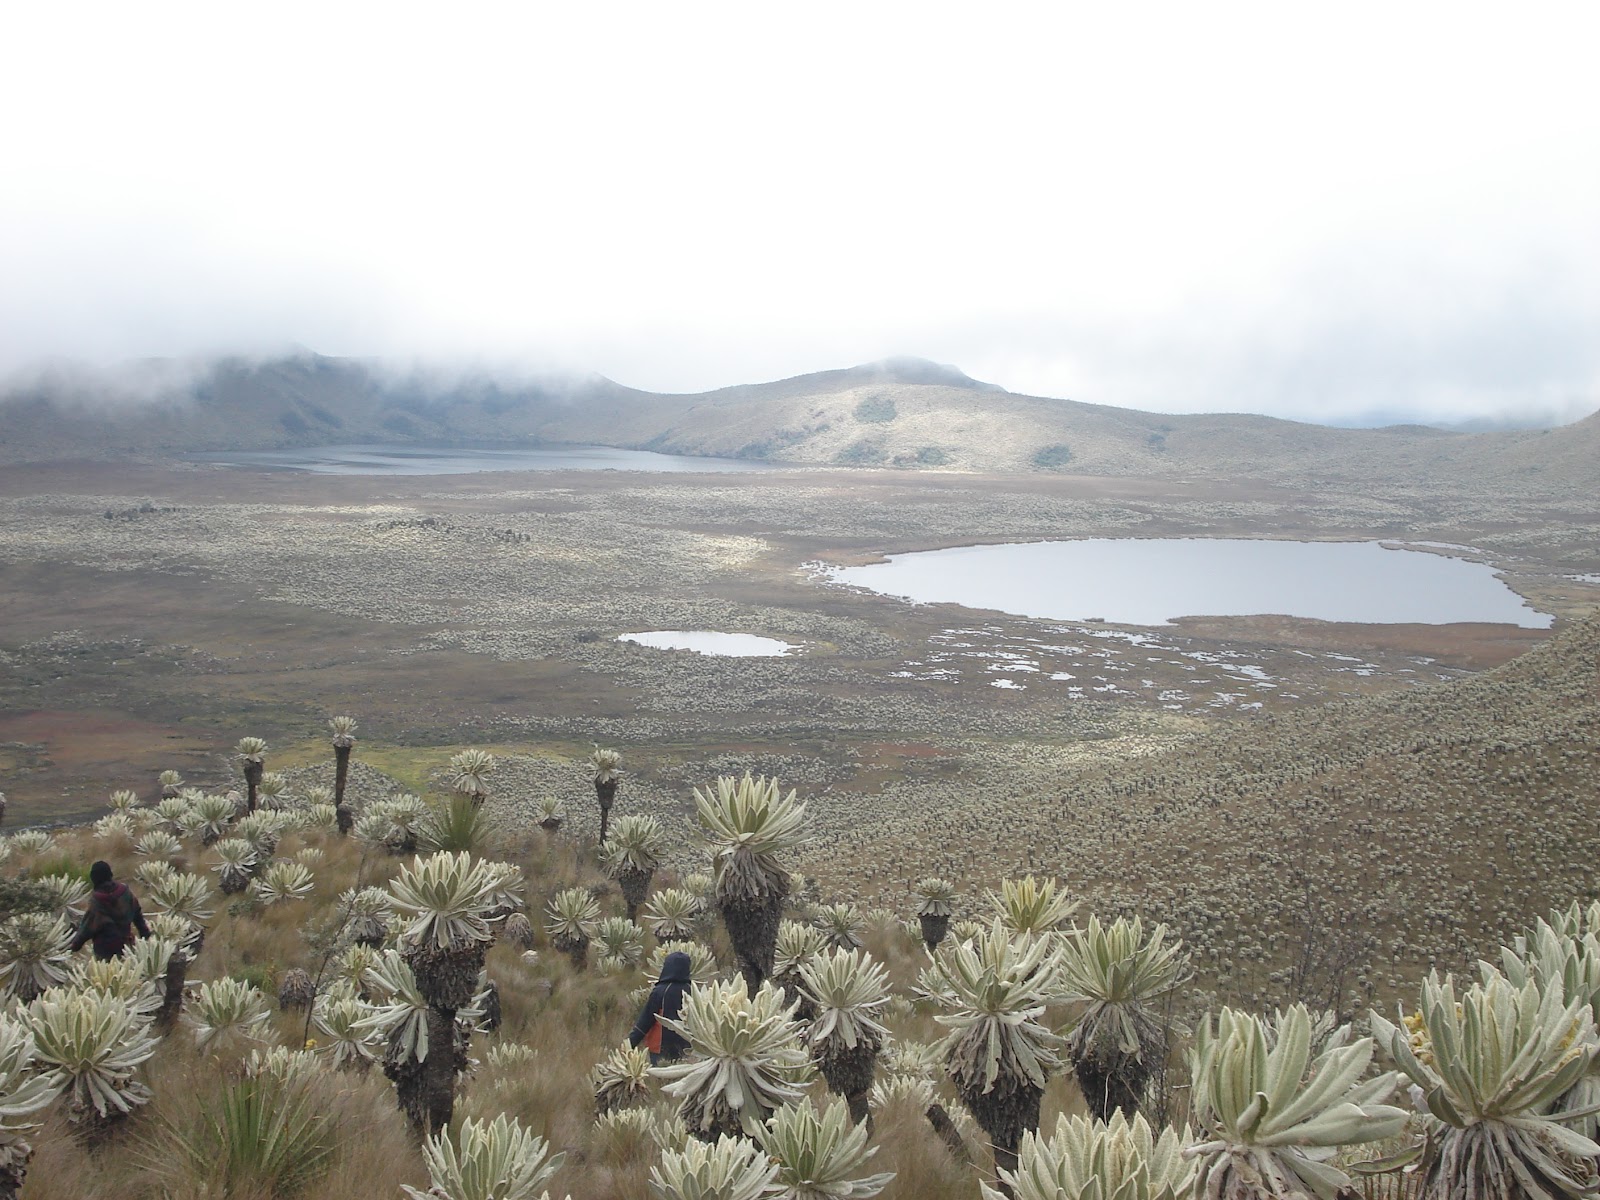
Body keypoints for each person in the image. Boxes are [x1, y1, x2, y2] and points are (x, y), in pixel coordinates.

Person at [70, 860, 150, 961]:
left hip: (105, 954)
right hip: (127, 949)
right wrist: (145, 934)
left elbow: (87, 928)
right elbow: (137, 914)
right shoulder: (125, 892)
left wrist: (73, 946)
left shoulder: (97, 901)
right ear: (110, 874)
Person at [628, 949, 692, 1064]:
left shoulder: (660, 991)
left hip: (660, 1048)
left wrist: (629, 1045)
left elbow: (645, 1021)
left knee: (660, 1079)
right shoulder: (692, 991)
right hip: (686, 1049)